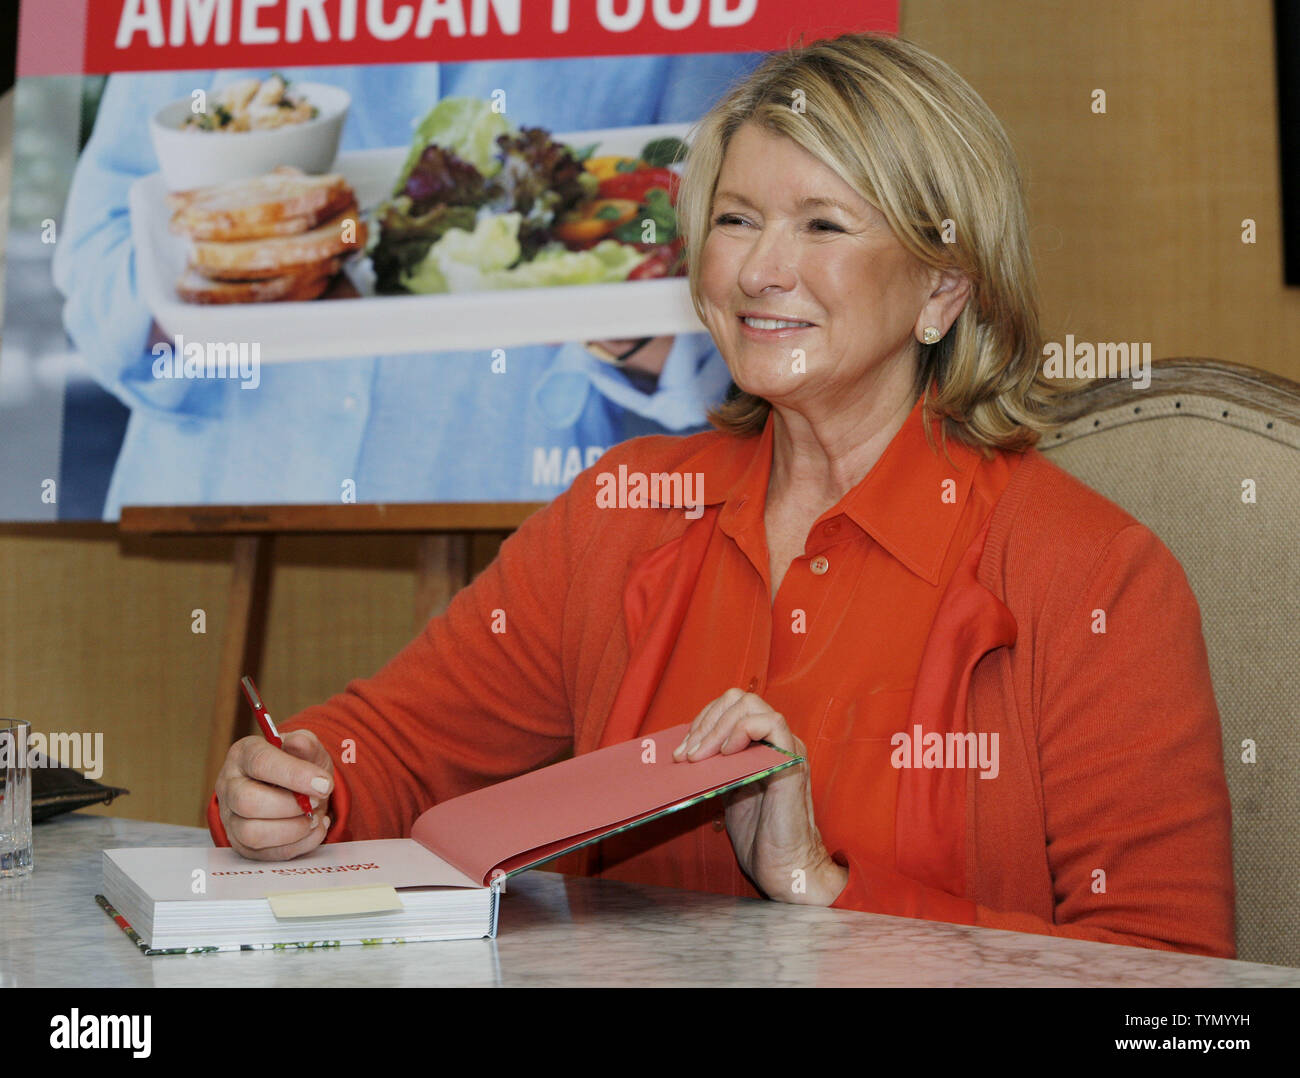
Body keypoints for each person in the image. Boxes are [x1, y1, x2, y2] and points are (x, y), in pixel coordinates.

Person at [210, 33, 1235, 958]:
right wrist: (299, 785)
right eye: (735, 220)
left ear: (942, 290)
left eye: (824, 224)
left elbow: (1168, 989)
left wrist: (818, 885)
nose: (762, 270)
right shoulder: (620, 510)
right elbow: (393, 749)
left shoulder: (1090, 573)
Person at [50, 55, 761, 518]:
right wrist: (245, 254)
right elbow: (98, 263)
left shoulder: (676, 26)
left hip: (515, 546)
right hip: (211, 516)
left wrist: (612, 308)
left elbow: (736, 330)